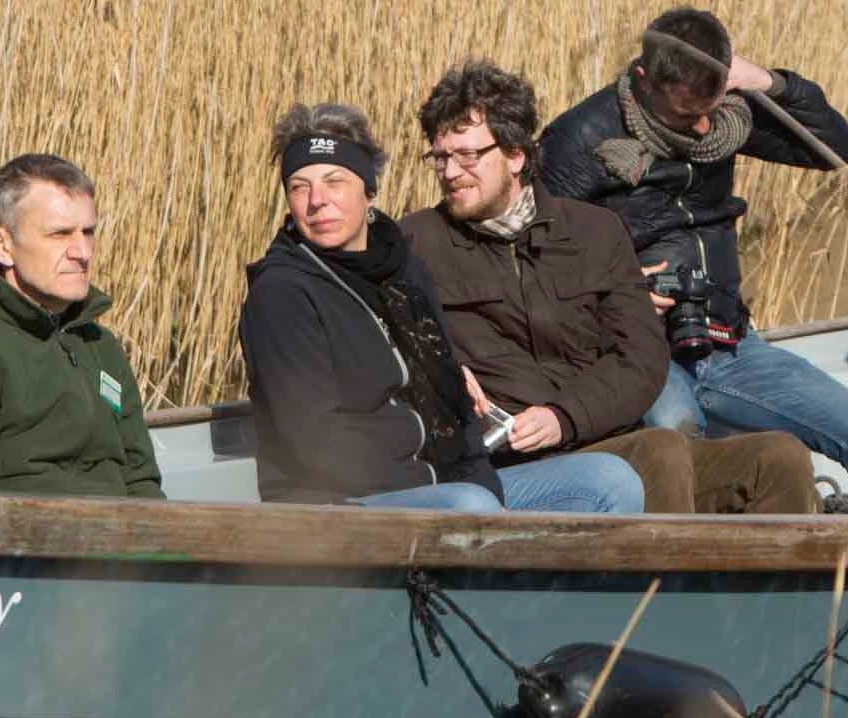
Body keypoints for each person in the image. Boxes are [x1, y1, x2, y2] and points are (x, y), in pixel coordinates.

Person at [402, 60, 818, 515]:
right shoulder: (414, 244)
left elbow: (640, 357)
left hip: (599, 433)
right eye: (439, 157)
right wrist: (438, 369)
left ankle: (785, 587)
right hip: (513, 464)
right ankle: (657, 587)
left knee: (777, 458)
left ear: (516, 155)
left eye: (467, 156)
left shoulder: (594, 231)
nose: (450, 172)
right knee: (660, 452)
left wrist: (565, 417)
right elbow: (375, 338)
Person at [538, 7, 848, 511]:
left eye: (711, 105)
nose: (703, 125)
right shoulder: (579, 139)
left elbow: (836, 148)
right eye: (686, 114)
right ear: (644, 81)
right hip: (639, 349)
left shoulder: (727, 118)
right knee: (676, 436)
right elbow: (536, 262)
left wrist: (771, 84)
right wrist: (620, 296)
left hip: (729, 340)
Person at [237, 103, 644, 514]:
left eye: (334, 181)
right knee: (471, 507)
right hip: (337, 503)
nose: (317, 201)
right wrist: (435, 464)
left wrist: (472, 465)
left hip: (443, 479)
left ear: (368, 189)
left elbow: (450, 396)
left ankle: (543, 577)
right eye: (299, 187)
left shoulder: (403, 266)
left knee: (611, 481)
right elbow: (316, 444)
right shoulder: (283, 293)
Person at [0, 153, 164, 496]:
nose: (82, 252)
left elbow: (142, 481)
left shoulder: (100, 346)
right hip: (33, 545)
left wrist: (160, 548)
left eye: (88, 232)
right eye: (60, 234)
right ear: (2, 245)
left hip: (127, 542)